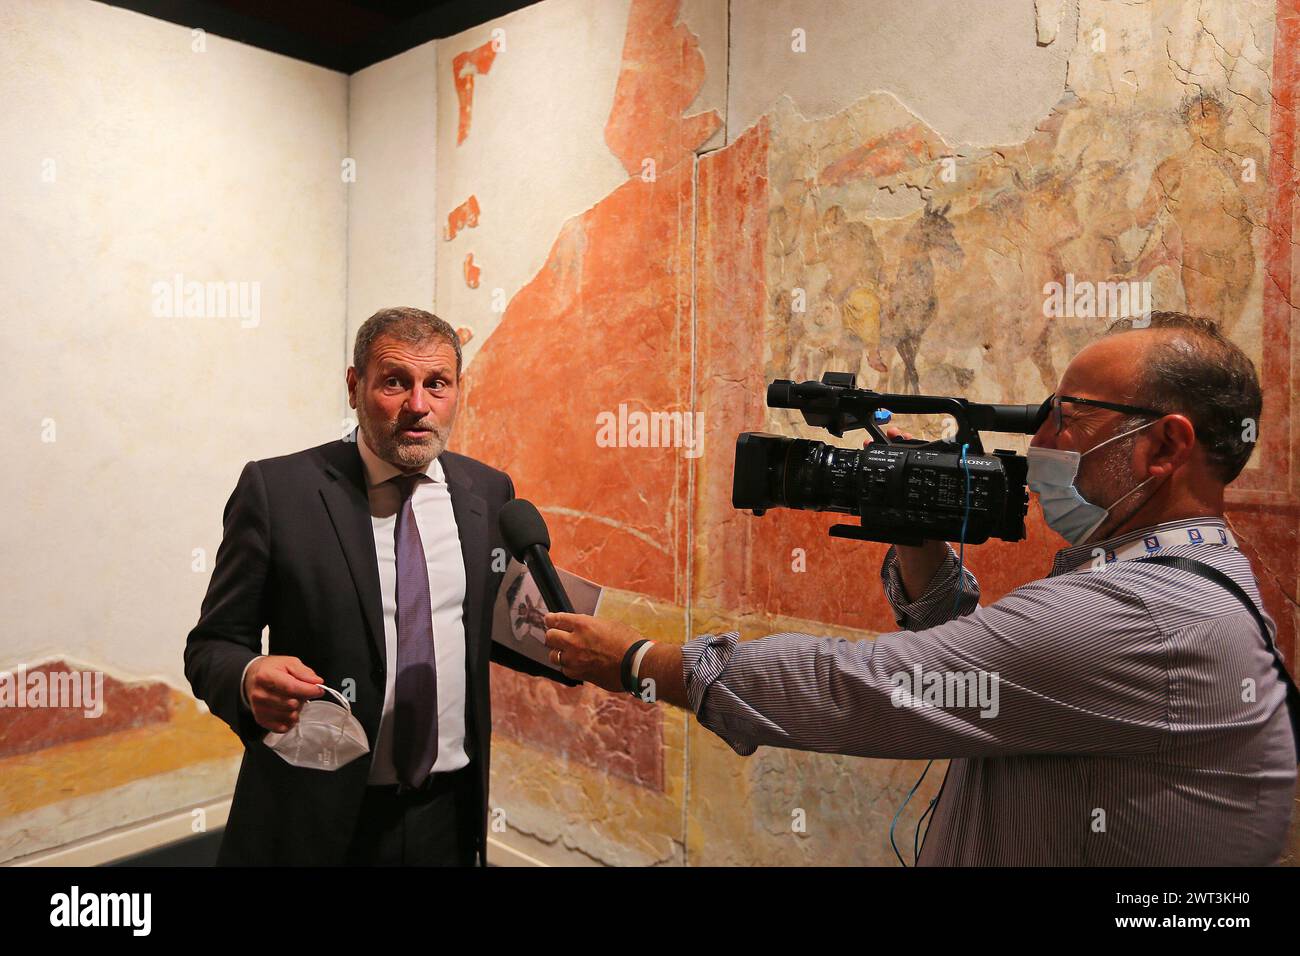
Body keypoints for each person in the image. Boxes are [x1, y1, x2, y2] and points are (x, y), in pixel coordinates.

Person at [545, 312, 1299, 865]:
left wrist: (639, 661)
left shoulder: (1143, 618)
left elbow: (868, 688)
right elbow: (989, 667)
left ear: (1166, 444)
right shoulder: (1168, 576)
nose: (1038, 443)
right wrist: (916, 530)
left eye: (1066, 417)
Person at [185, 306, 569, 865]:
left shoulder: (488, 492)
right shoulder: (278, 491)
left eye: (436, 384)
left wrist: (580, 647)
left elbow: (487, 625)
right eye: (395, 382)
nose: (419, 405)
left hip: (449, 814)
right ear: (353, 385)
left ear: (458, 389)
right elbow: (211, 645)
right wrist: (247, 677)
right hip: (315, 817)